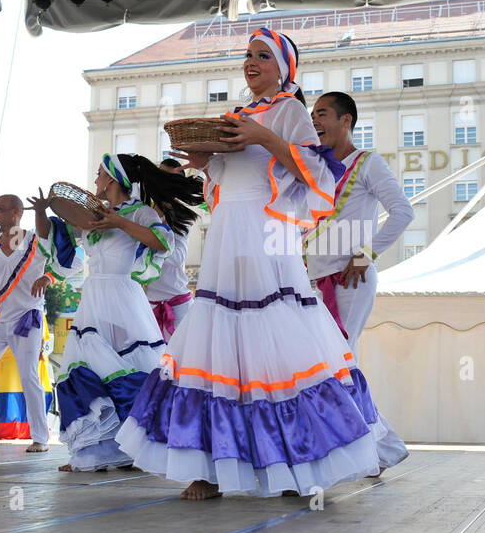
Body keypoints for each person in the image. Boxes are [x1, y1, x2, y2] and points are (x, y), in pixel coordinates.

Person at [117, 28, 396, 500]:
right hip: (229, 230)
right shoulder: (234, 115)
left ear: (284, 67)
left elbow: (319, 172)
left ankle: (294, 464)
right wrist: (206, 160)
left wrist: (265, 136)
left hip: (269, 232)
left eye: (263, 55)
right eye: (248, 54)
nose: (251, 62)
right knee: (216, 340)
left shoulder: (289, 111)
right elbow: (223, 179)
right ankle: (208, 468)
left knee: (277, 338)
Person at [51, 154, 198, 472]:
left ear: (113, 178)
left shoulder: (141, 212)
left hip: (123, 299)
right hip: (92, 300)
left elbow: (162, 242)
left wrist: (120, 223)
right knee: (87, 367)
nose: (95, 182)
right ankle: (92, 450)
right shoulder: (94, 215)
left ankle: (137, 446)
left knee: (128, 366)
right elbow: (61, 243)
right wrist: (43, 212)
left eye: (99, 175)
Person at [306, 90, 414, 472]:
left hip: (350, 281)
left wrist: (367, 253)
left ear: (346, 120)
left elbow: (403, 212)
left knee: (335, 364)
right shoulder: (314, 168)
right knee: (325, 365)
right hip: (313, 282)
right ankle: (375, 450)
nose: (315, 121)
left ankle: (369, 451)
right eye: (312, 115)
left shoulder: (367, 164)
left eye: (322, 114)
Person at [0, 194, 66, 454]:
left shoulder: (35, 241)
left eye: (0, 209)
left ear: (17, 212)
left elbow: (71, 262)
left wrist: (48, 277)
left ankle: (40, 437)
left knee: (29, 377)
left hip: (26, 319)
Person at [143, 159, 198, 340]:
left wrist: (156, 230)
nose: (161, 182)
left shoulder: (183, 216)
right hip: (147, 304)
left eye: (168, 178)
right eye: (159, 176)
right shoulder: (144, 211)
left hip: (177, 304)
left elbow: (177, 258)